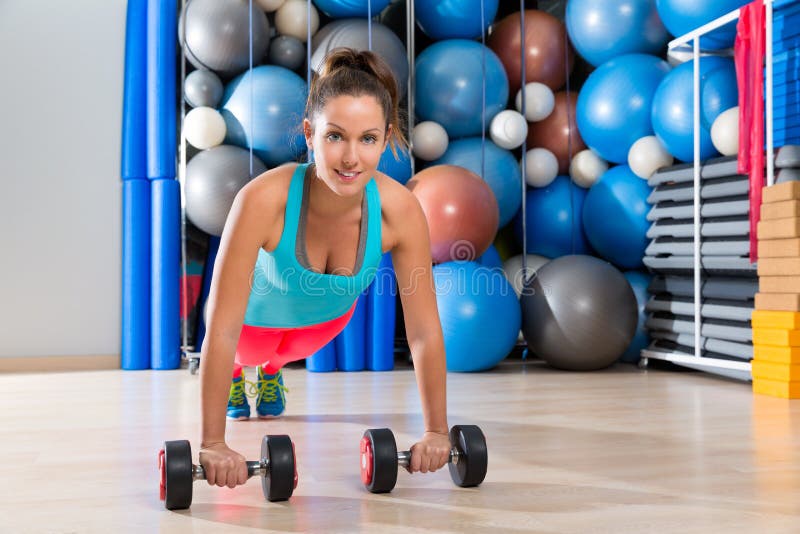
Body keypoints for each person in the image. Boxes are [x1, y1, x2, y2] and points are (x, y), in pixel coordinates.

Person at [197, 48, 451, 489]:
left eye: (368, 139)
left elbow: (424, 331)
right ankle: (245, 373)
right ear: (310, 133)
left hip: (322, 326)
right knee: (251, 353)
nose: (351, 157)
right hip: (250, 327)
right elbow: (220, 324)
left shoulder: (400, 210)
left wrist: (437, 432)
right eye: (335, 136)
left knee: (279, 357)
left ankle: (271, 374)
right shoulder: (262, 199)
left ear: (386, 137)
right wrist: (212, 442)